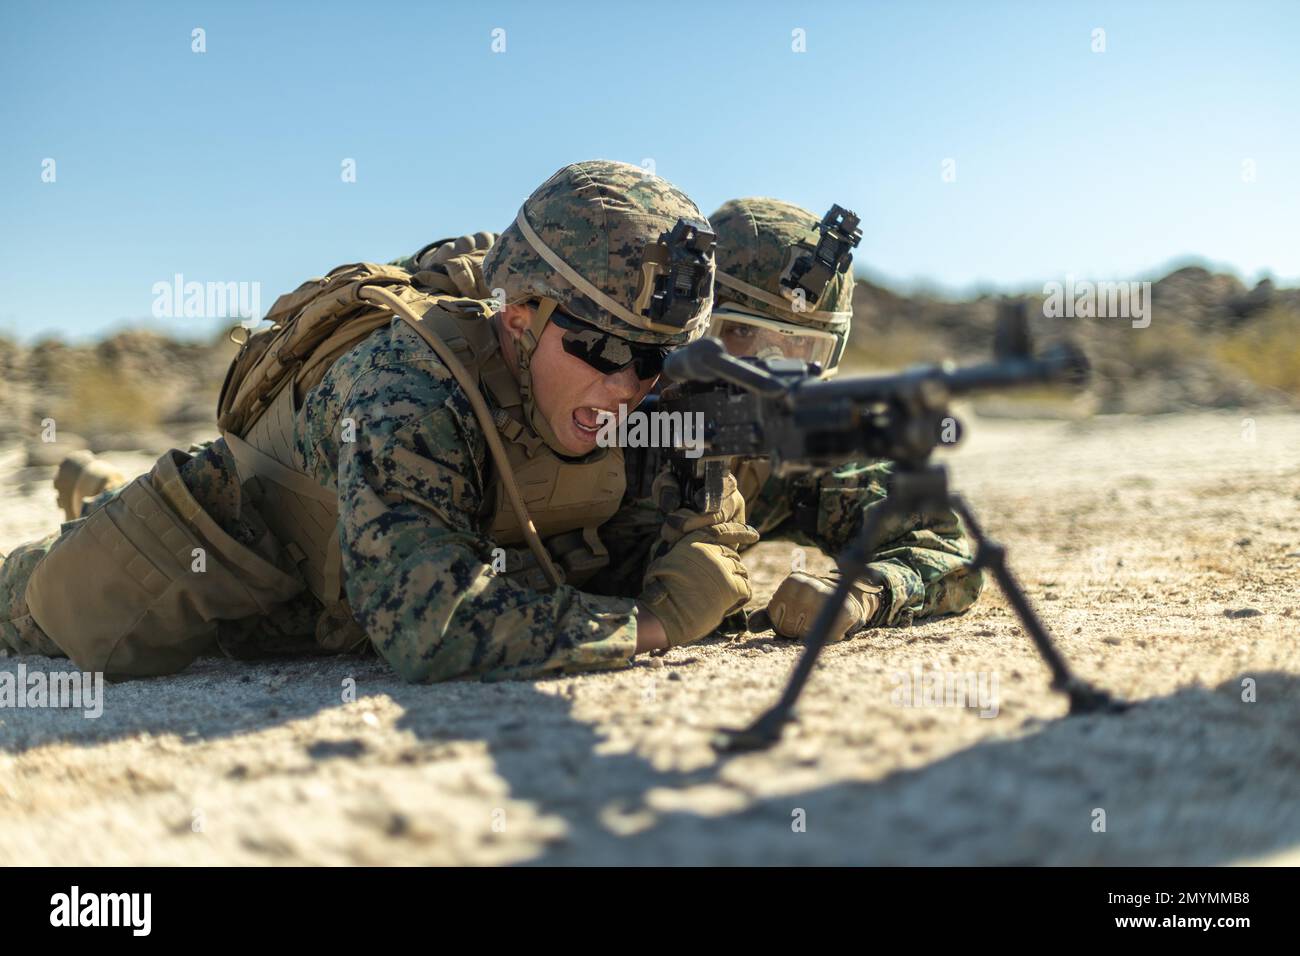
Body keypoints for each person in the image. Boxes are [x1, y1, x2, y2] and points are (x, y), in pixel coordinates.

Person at [0, 160, 756, 682]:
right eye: (602, 347)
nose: (628, 386)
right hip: (248, 554)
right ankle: (90, 502)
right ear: (520, 318)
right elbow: (429, 625)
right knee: (54, 610)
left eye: (654, 359)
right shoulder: (404, 391)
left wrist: (706, 547)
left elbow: (710, 501)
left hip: (394, 555)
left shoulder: (638, 389)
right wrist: (652, 627)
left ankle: (92, 483)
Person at [612, 198, 985, 642]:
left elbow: (940, 548)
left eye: (801, 349)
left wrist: (858, 594)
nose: (771, 374)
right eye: (742, 334)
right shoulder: (599, 411)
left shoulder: (791, 442)